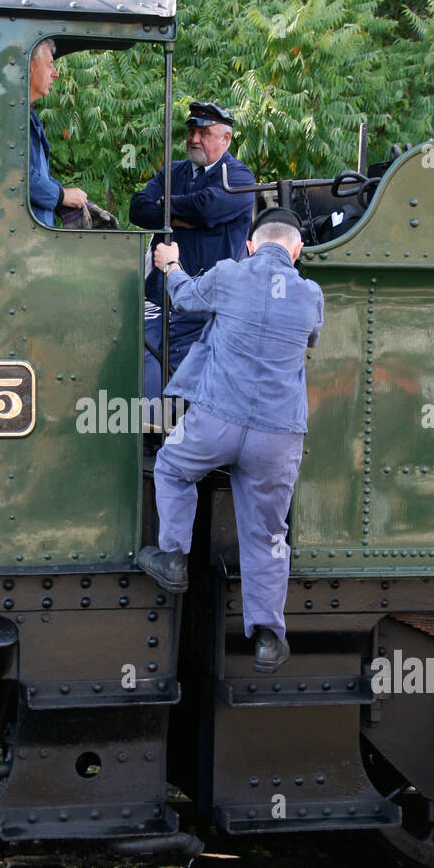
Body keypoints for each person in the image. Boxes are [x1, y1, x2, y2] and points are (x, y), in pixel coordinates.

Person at [137, 208, 324, 673]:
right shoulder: (310, 294)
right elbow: (311, 338)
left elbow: (182, 298)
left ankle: (173, 557)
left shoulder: (228, 274)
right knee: (267, 535)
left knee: (173, 469)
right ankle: (267, 636)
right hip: (277, 436)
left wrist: (171, 264)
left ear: (250, 246)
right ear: (297, 251)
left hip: (217, 420)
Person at [129, 102, 255, 399]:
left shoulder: (238, 178)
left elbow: (207, 208)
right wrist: (180, 216)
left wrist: (164, 207)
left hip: (206, 301)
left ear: (226, 138)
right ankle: (146, 437)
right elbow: (138, 208)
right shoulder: (174, 172)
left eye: (204, 133)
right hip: (161, 297)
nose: (194, 139)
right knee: (139, 367)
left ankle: (166, 436)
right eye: (191, 131)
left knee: (189, 385)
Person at [28, 38, 88, 226]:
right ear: (29, 66)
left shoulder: (29, 115)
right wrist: (61, 195)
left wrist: (67, 196)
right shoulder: (9, 115)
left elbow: (38, 175)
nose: (55, 74)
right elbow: (16, 175)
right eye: (50, 65)